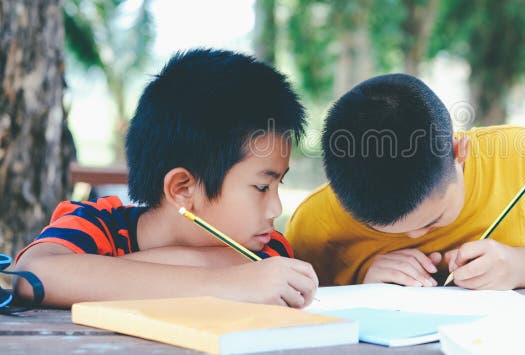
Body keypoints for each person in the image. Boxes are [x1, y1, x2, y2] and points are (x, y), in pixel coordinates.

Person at [14, 48, 318, 308]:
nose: (276, 209)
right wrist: (223, 284)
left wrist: (90, 276)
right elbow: (32, 276)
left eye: (279, 185)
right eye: (262, 187)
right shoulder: (95, 225)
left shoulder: (267, 251)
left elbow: (266, 274)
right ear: (182, 188)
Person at [286, 73, 525, 289]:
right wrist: (361, 282)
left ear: (458, 150)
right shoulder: (315, 225)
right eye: (384, 232)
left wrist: (522, 266)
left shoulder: (523, 159)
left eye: (433, 221)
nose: (416, 237)